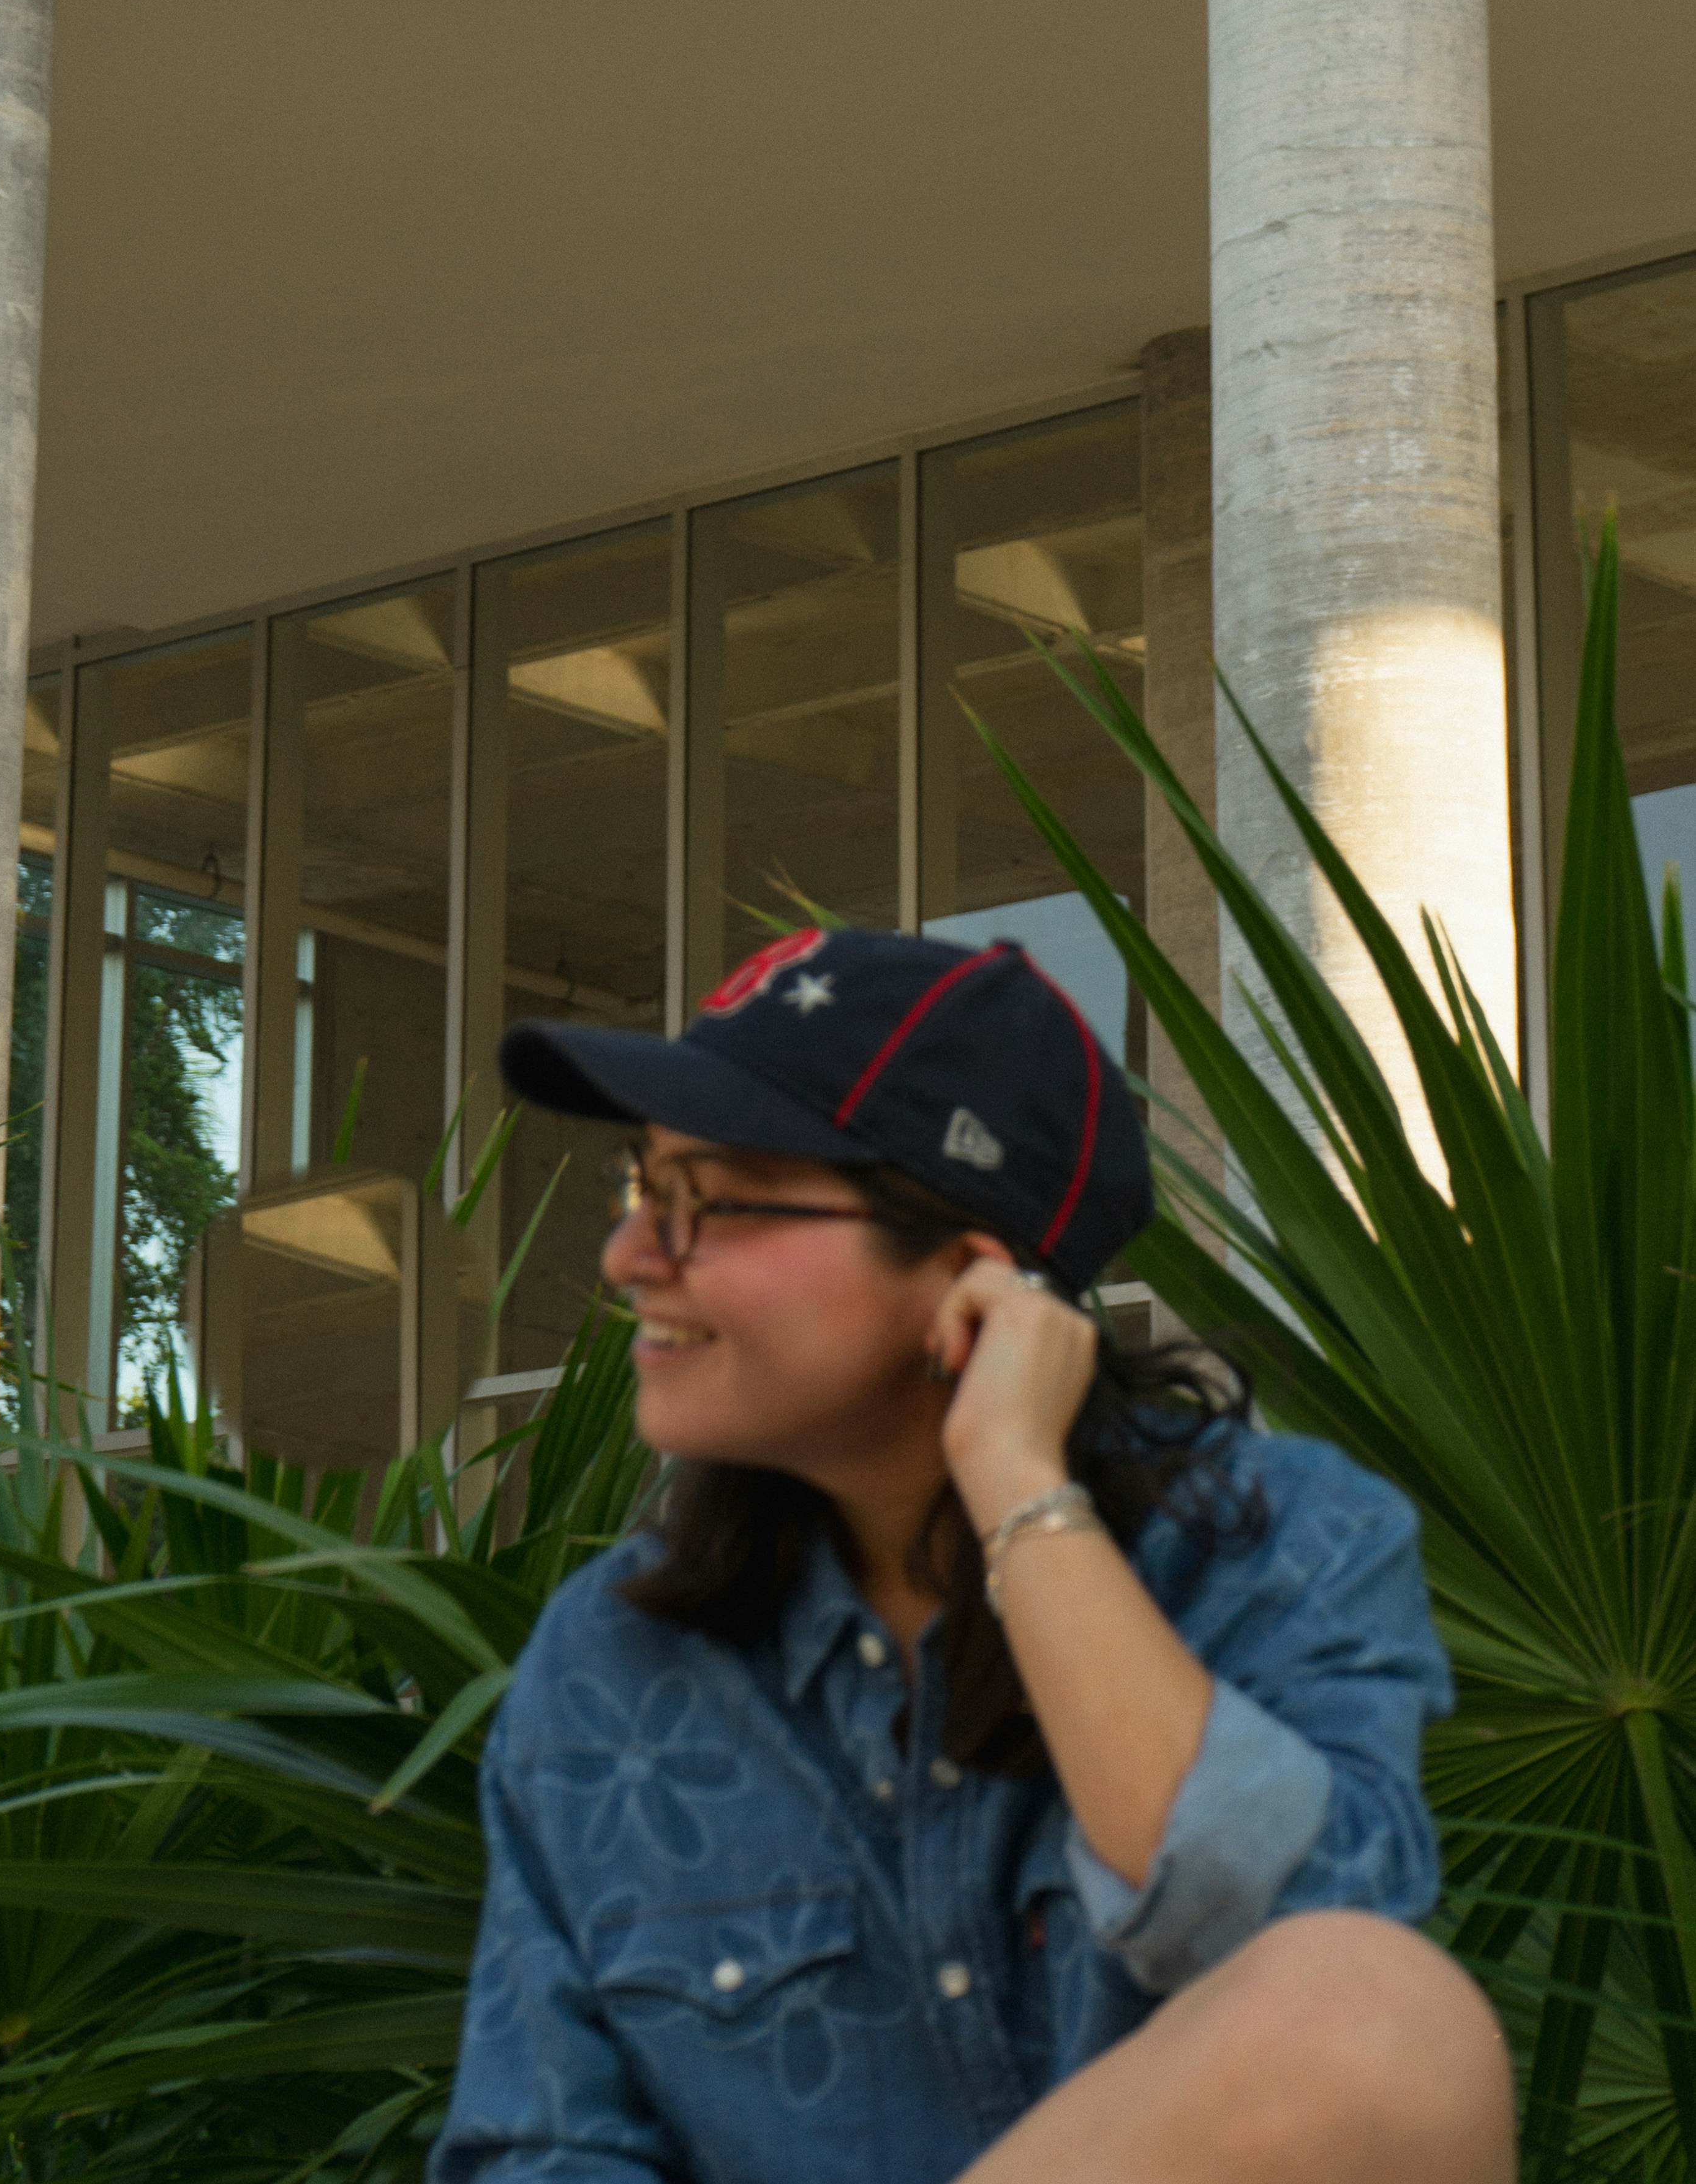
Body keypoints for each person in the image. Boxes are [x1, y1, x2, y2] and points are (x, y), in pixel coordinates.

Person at [431, 925, 1513, 2184]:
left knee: (1367, 2007)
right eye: (641, 1186)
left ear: (965, 1270)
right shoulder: (608, 1658)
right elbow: (543, 2148)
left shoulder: (1282, 1541)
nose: (627, 1255)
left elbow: (1322, 2005)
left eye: (708, 1201)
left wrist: (1018, 1485)